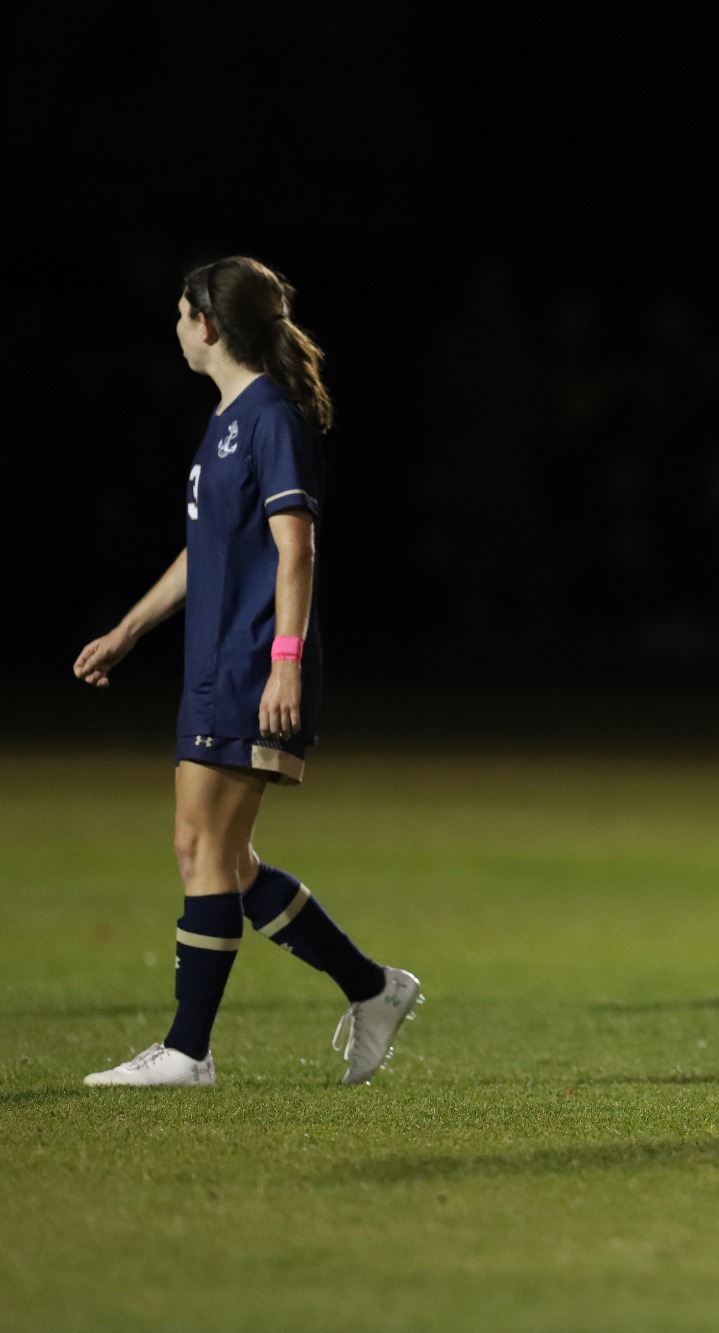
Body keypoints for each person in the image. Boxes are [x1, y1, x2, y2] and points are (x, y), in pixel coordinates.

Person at [72, 256, 421, 1088]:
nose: (176, 328)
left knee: (202, 848)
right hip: (217, 661)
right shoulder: (227, 420)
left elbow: (297, 547)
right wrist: (129, 627)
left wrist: (285, 663)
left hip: (252, 662)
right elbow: (209, 553)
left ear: (209, 323)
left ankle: (189, 1051)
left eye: (181, 312)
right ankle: (374, 987)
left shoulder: (270, 417)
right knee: (226, 859)